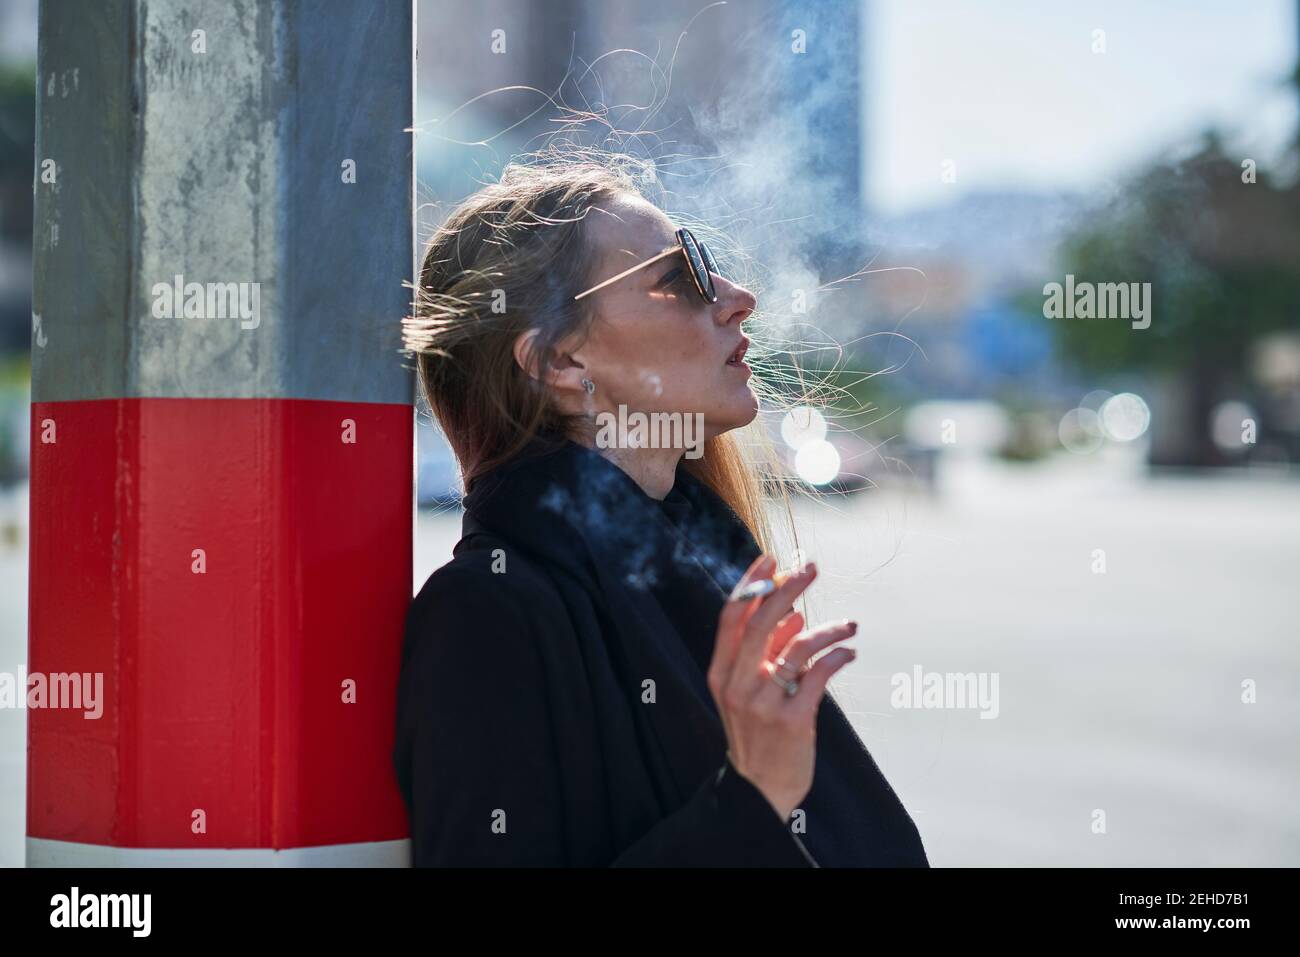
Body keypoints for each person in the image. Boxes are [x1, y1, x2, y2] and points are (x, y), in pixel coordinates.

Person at [393, 156, 929, 867]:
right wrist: (751, 799)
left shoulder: (706, 571)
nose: (738, 297)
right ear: (559, 363)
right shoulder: (488, 612)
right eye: (681, 277)